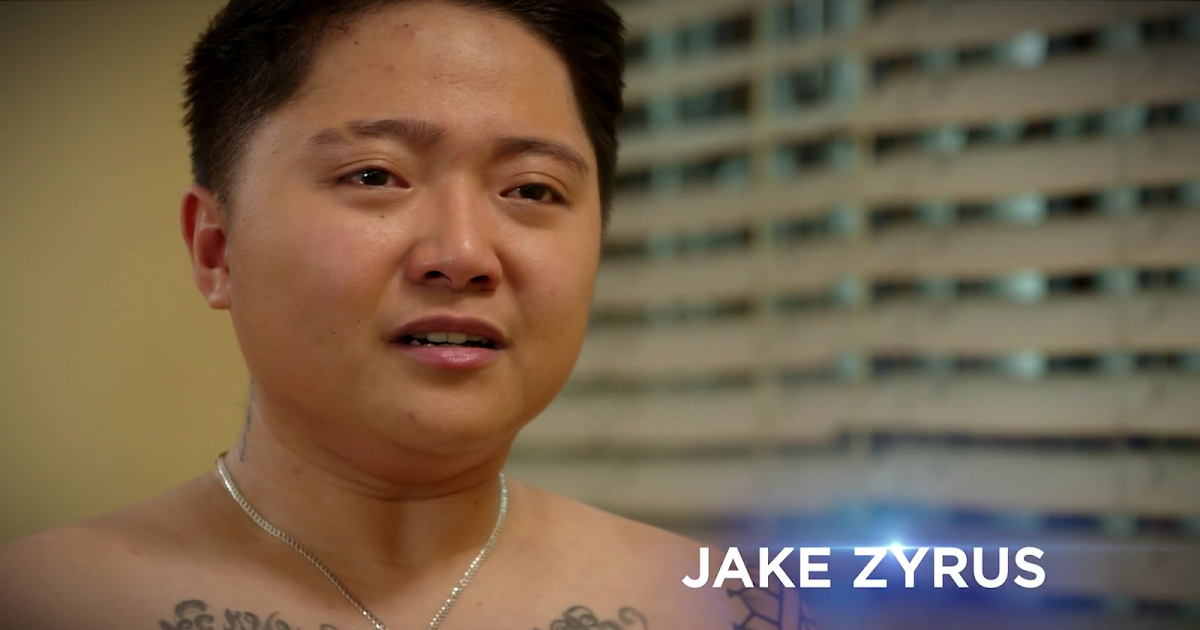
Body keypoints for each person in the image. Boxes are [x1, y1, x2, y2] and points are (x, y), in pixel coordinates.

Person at [0, 1, 816, 628]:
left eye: (532, 189)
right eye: (375, 176)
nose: (462, 253)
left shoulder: (745, 609)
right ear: (217, 249)